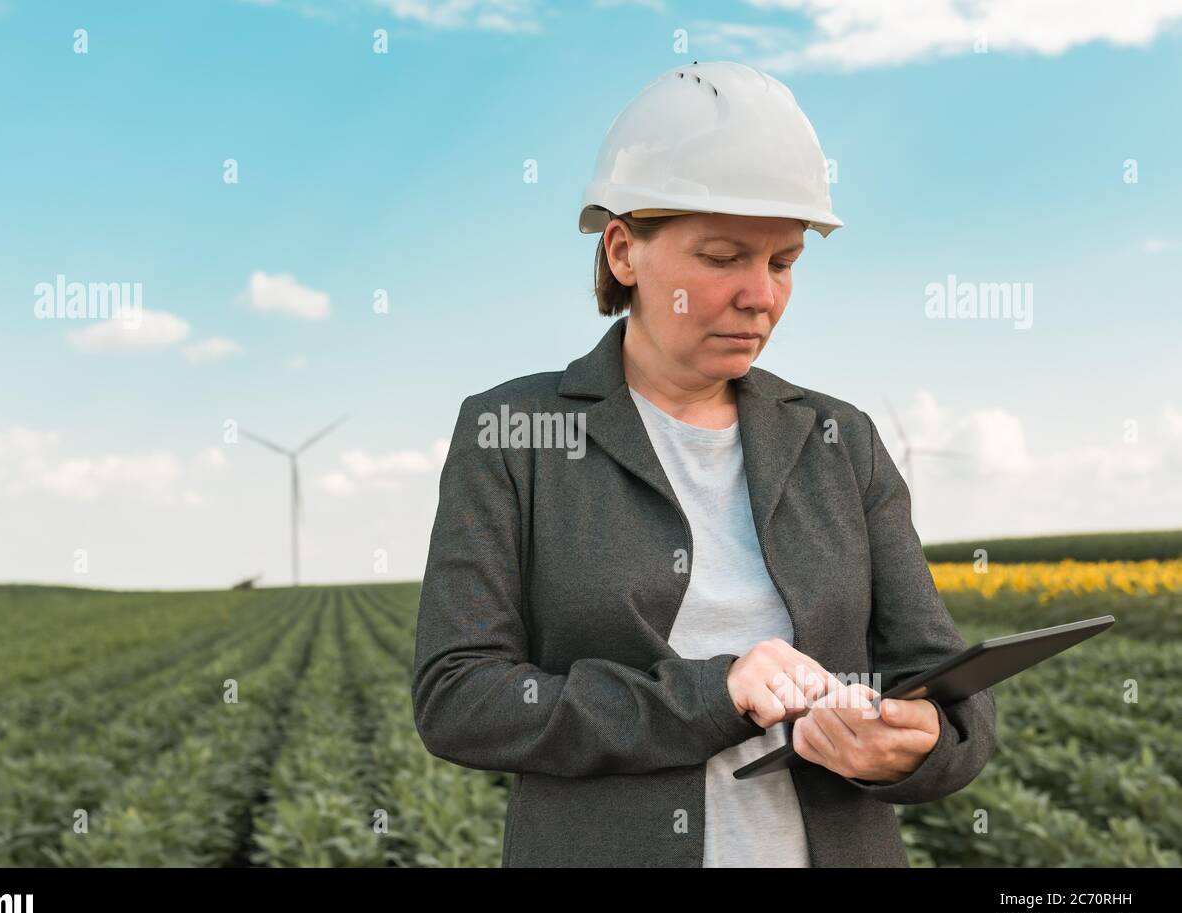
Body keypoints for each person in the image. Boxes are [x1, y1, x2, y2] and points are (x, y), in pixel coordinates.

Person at [412, 61, 996, 868]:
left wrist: (921, 739)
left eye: (784, 262)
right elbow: (460, 699)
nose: (761, 294)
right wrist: (713, 691)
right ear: (623, 251)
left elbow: (945, 685)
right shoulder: (514, 433)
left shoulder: (841, 438)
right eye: (723, 257)